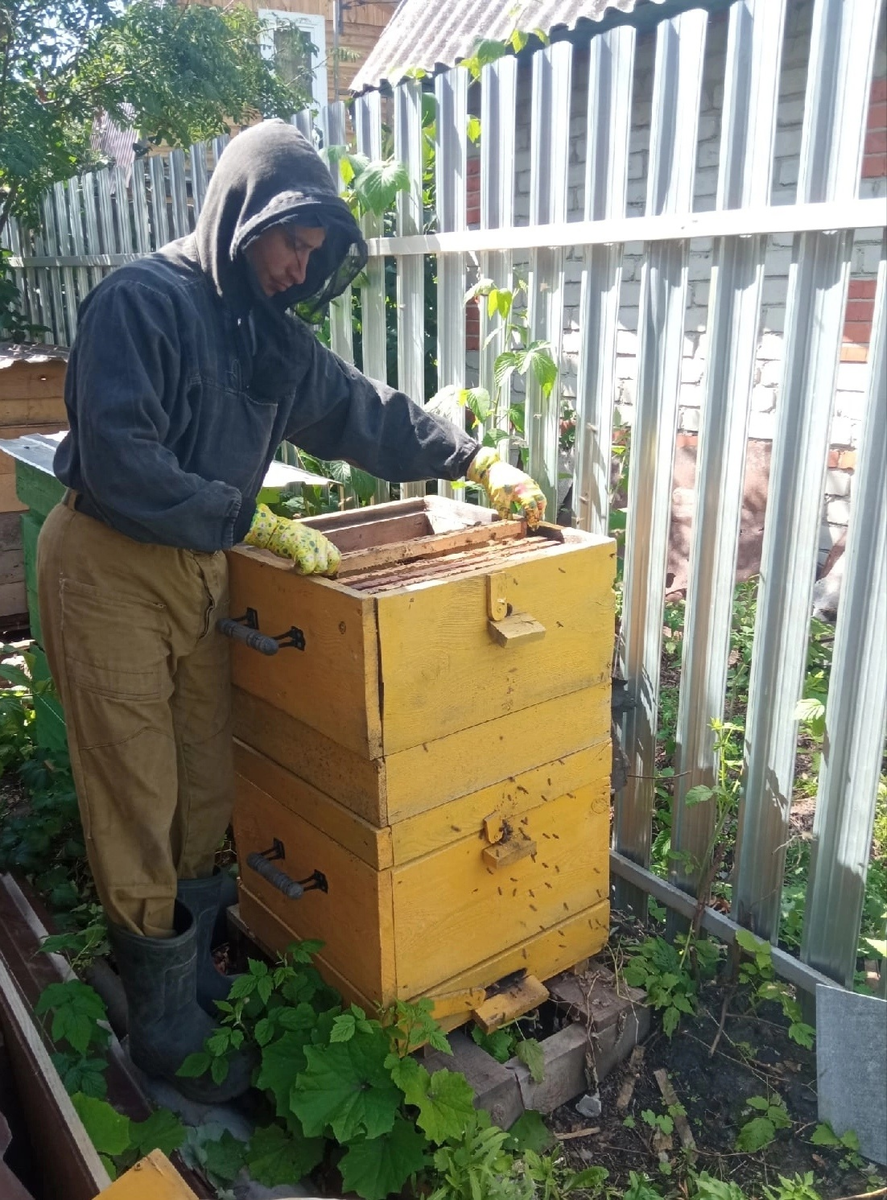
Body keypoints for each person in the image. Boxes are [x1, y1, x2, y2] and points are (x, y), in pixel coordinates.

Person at [36, 120, 546, 1103]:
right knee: (135, 790)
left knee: (206, 772)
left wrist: (470, 457)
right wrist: (248, 519)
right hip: (109, 566)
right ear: (242, 218)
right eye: (288, 243)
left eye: (312, 253)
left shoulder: (271, 336)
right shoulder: (138, 303)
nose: (295, 267)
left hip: (203, 567)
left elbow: (363, 412)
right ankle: (162, 1023)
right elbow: (119, 453)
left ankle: (191, 966)